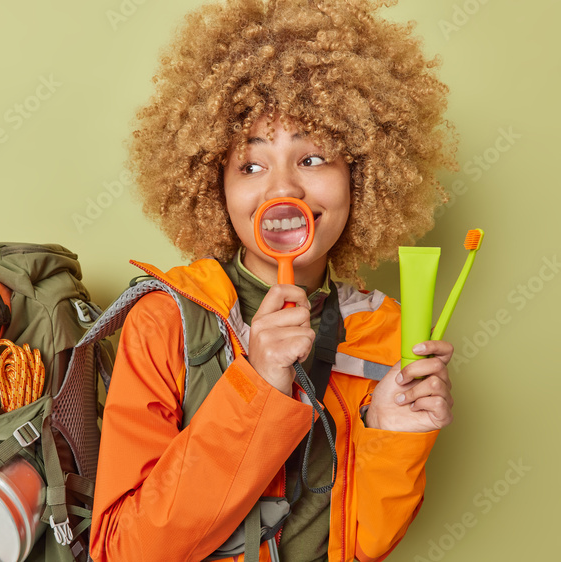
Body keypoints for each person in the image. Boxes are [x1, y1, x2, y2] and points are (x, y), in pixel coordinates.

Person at [89, 1, 459, 561]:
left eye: (312, 159)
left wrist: (391, 434)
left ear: (362, 177)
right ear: (213, 184)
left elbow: (363, 544)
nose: (283, 189)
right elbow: (123, 552)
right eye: (252, 165)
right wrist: (258, 389)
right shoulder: (166, 321)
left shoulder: (382, 330)